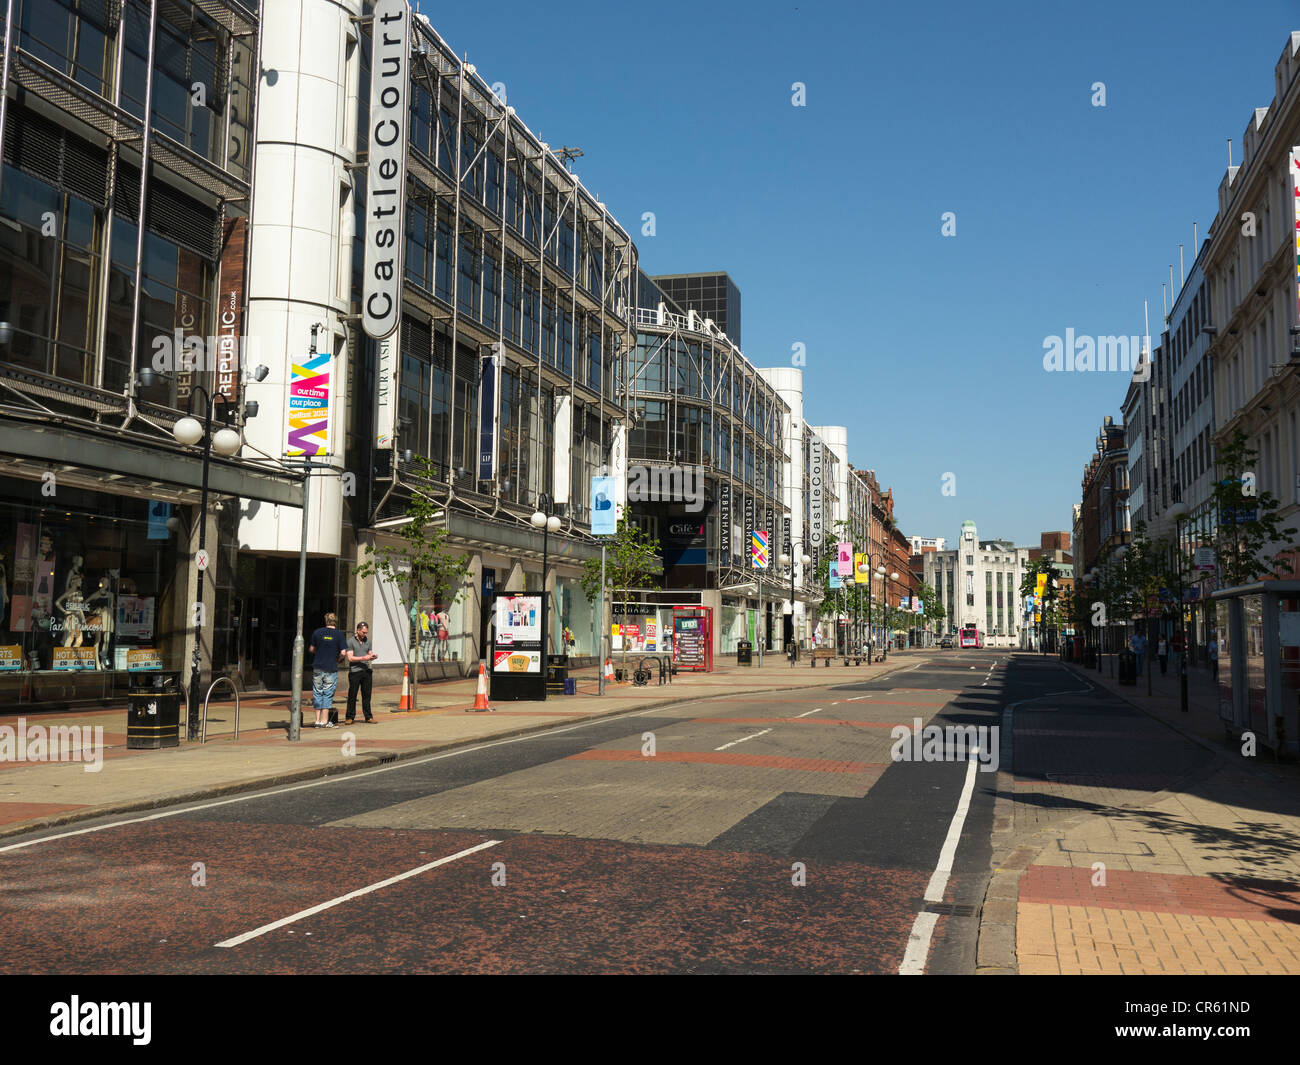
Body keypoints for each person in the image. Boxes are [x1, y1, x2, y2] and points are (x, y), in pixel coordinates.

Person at [308, 611, 347, 728]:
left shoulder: (317, 632)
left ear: (326, 621)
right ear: (336, 622)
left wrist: (319, 653)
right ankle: (325, 721)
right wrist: (338, 659)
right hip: (331, 667)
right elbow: (343, 653)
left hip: (318, 667)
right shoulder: (339, 635)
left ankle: (317, 720)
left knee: (317, 692)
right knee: (327, 693)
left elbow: (311, 649)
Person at [345, 620, 379, 724]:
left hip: (366, 671)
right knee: (352, 695)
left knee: (367, 695)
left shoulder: (367, 641)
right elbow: (350, 658)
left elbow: (369, 653)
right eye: (363, 632)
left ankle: (368, 716)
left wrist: (373, 656)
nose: (365, 634)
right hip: (355, 672)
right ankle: (350, 717)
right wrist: (364, 657)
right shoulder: (350, 641)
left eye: (366, 632)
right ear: (358, 630)